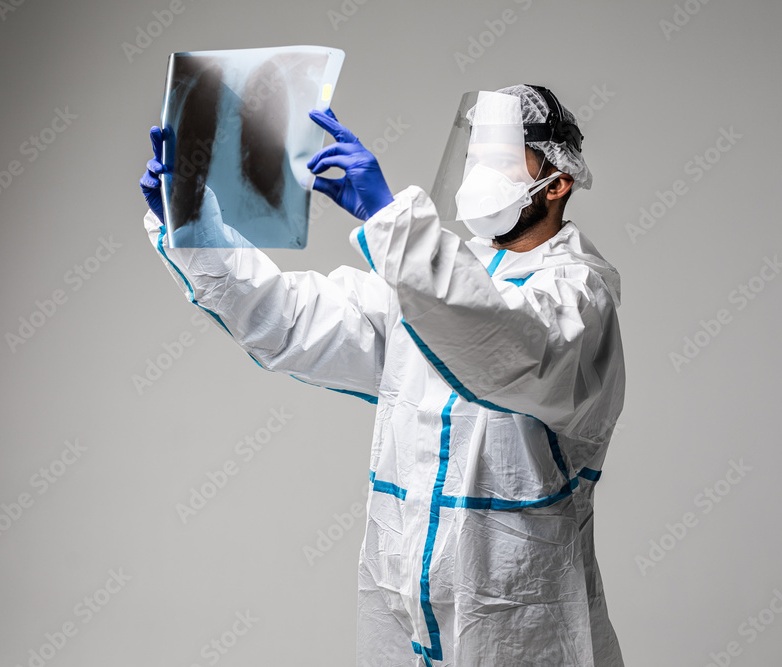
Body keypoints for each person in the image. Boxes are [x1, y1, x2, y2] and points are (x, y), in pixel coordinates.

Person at [139, 84, 625, 666]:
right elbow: (287, 319)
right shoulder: (424, 278)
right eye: (474, 155)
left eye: (499, 158)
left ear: (558, 180)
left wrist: (389, 221)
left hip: (517, 619)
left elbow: (502, 341)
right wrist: (193, 222)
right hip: (402, 605)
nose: (477, 173)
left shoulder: (579, 294)